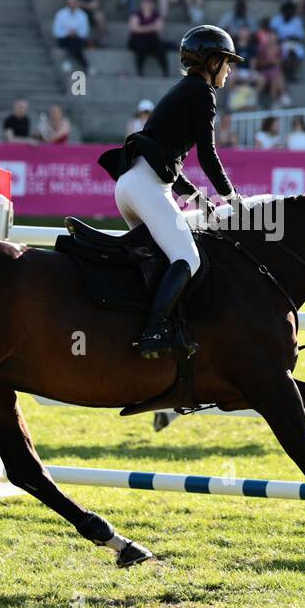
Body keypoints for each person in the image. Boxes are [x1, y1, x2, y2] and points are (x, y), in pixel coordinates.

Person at [97, 25, 242, 358]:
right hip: (146, 186)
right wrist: (232, 199)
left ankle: (158, 325)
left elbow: (169, 164)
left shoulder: (184, 89)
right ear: (212, 61)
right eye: (227, 62)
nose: (230, 70)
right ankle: (153, 331)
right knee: (188, 258)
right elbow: (208, 155)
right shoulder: (203, 93)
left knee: (161, 259)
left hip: (130, 185)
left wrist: (200, 201)